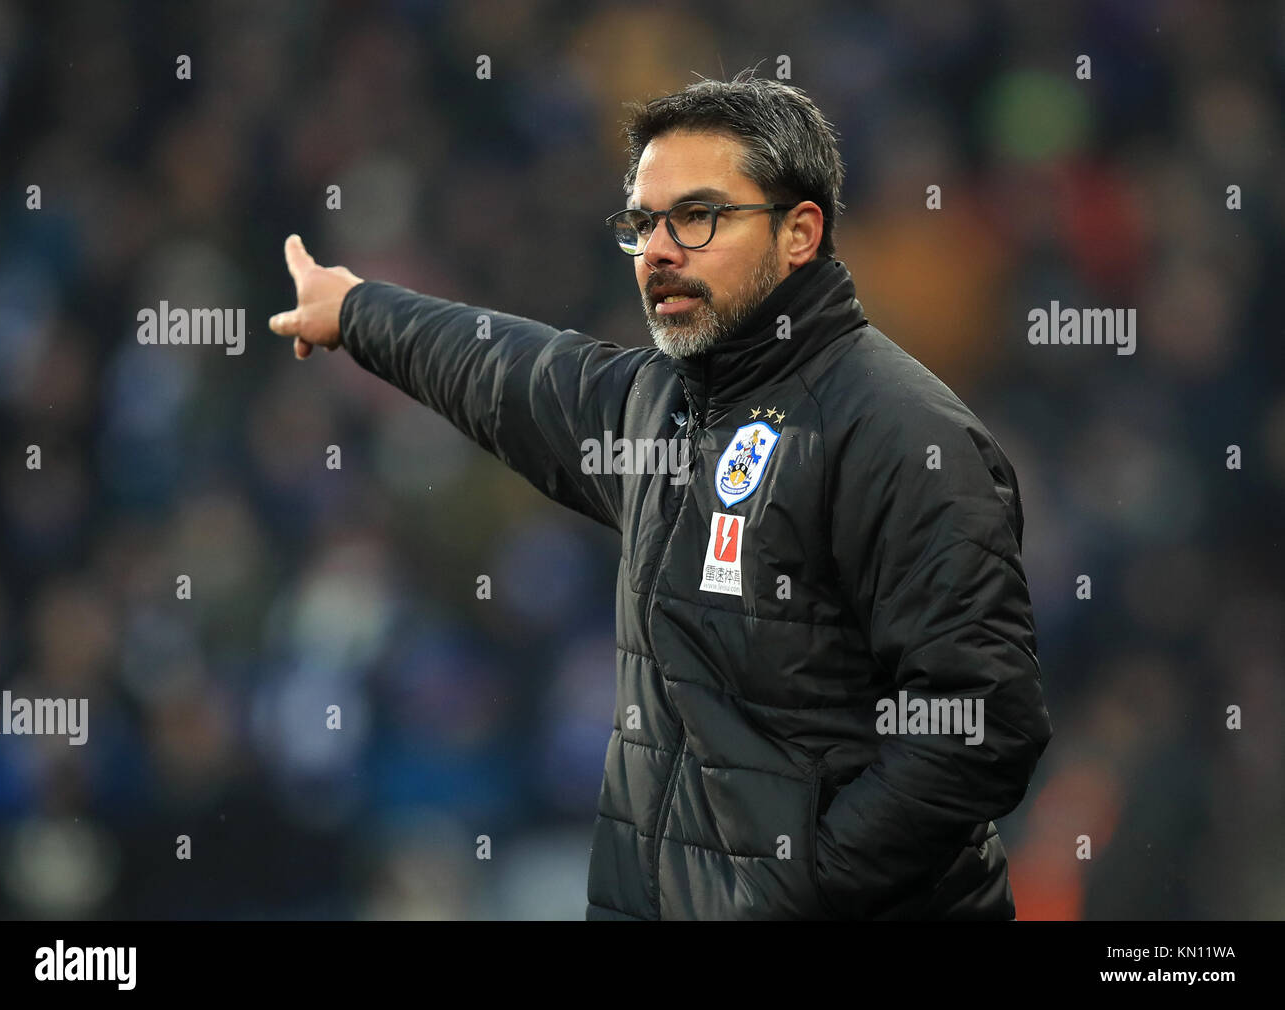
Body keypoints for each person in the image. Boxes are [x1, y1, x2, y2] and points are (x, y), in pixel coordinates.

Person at [268, 74, 1053, 921]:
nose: (659, 251)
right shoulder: (655, 409)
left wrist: (799, 888)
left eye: (698, 217)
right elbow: (500, 368)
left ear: (800, 231)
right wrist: (355, 309)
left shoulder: (903, 436)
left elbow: (979, 725)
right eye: (643, 223)